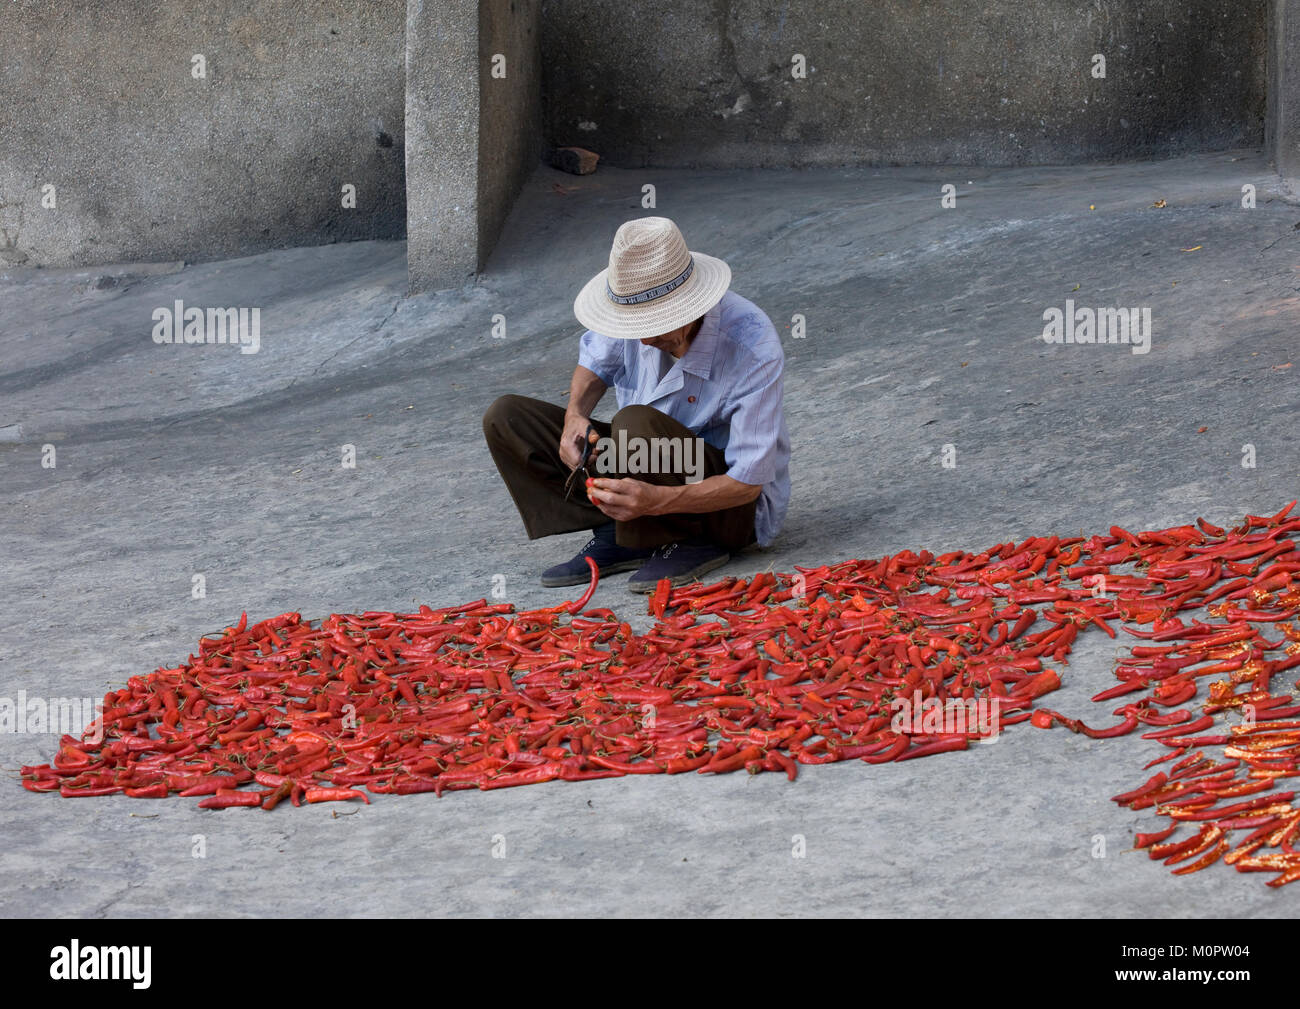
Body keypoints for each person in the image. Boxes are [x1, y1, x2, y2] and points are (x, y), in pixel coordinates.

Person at [482, 216, 790, 593]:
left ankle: (689, 540)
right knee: (508, 417)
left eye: (656, 327)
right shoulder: (634, 313)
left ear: (690, 308)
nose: (643, 342)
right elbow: (594, 365)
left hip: (723, 504)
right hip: (643, 459)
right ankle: (622, 531)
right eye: (635, 328)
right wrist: (574, 417)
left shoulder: (752, 345)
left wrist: (658, 501)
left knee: (636, 424)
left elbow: (747, 483)